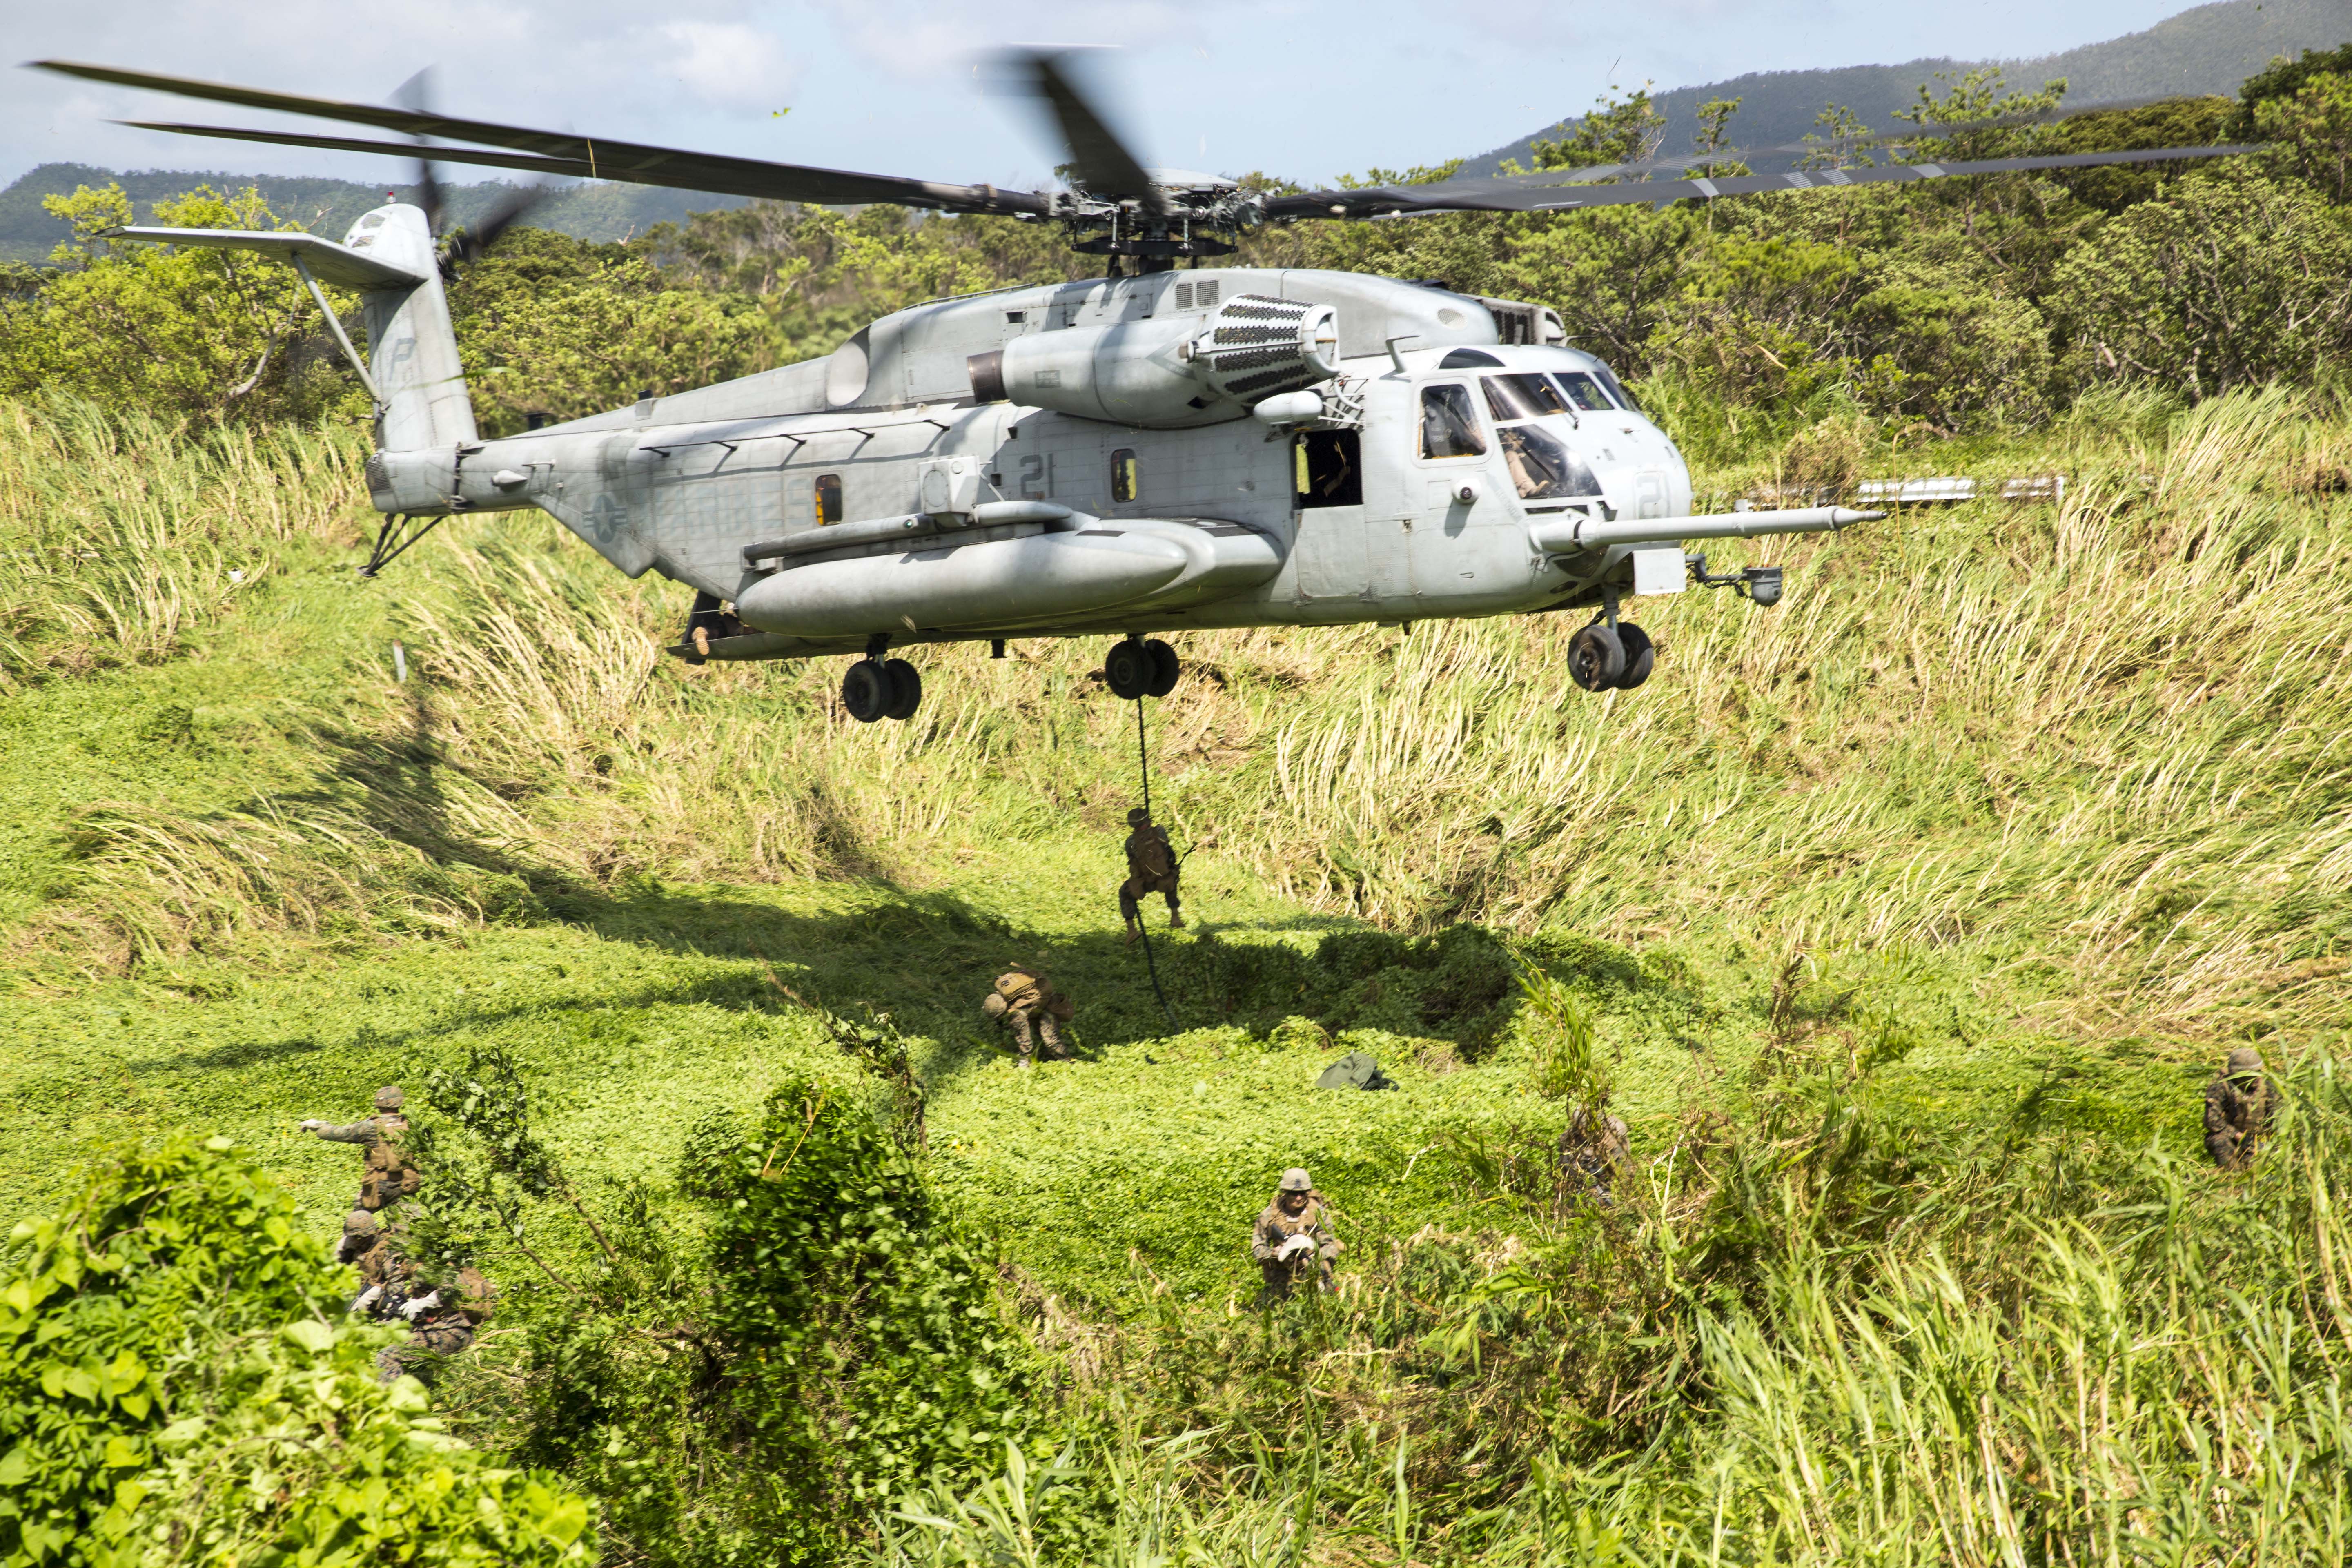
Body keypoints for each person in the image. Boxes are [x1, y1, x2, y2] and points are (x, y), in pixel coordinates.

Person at [300, 1085, 420, 1212]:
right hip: (407, 1184)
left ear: (379, 1104)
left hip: (379, 1186)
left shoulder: (370, 1127)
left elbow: (338, 1133)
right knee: (411, 1229)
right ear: (400, 1102)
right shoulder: (412, 1125)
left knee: (357, 1225)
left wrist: (318, 1125)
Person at [1250, 1167, 1342, 1302]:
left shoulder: (1317, 1213)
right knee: (1277, 1306)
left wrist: (1314, 1256)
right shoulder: (1269, 1215)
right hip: (1282, 1271)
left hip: (1313, 1268)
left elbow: (1331, 1246)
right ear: (1285, 1193)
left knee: (1326, 1301)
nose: (1299, 1198)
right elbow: (1257, 1249)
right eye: (1294, 1194)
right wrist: (1275, 1253)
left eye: (1303, 1193)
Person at [1119, 807, 1184, 946]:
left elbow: (1132, 858)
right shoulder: (1160, 832)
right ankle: (1175, 917)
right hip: (1165, 879)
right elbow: (1167, 848)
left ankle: (1131, 930)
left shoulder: (1130, 842)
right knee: (1171, 877)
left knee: (1124, 892)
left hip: (1145, 882)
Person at [982, 967, 1074, 1064]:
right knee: (1040, 1032)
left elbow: (1025, 1042)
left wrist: (1024, 1064)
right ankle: (1048, 1055)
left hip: (1049, 1007)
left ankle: (1068, 1062)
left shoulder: (1016, 1015)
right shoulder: (1006, 997)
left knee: (1050, 1039)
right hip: (1039, 1005)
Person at [2205, 1047, 2275, 1170]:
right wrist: (2238, 1136)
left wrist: (2265, 1142)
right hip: (2231, 1138)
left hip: (2259, 1140)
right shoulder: (2222, 1086)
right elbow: (2212, 1120)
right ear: (2237, 1075)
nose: (2256, 1078)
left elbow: (2278, 1116)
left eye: (2258, 1072)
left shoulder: (2267, 1085)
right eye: (2250, 1075)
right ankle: (2232, 1176)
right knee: (2218, 1141)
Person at [1557, 1102, 1630, 1207]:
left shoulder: (1615, 1132)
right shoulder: (1569, 1139)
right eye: (1578, 1128)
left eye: (1586, 1129)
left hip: (1612, 1184)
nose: (1581, 1133)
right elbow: (1567, 1170)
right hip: (1583, 1189)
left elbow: (1624, 1167)